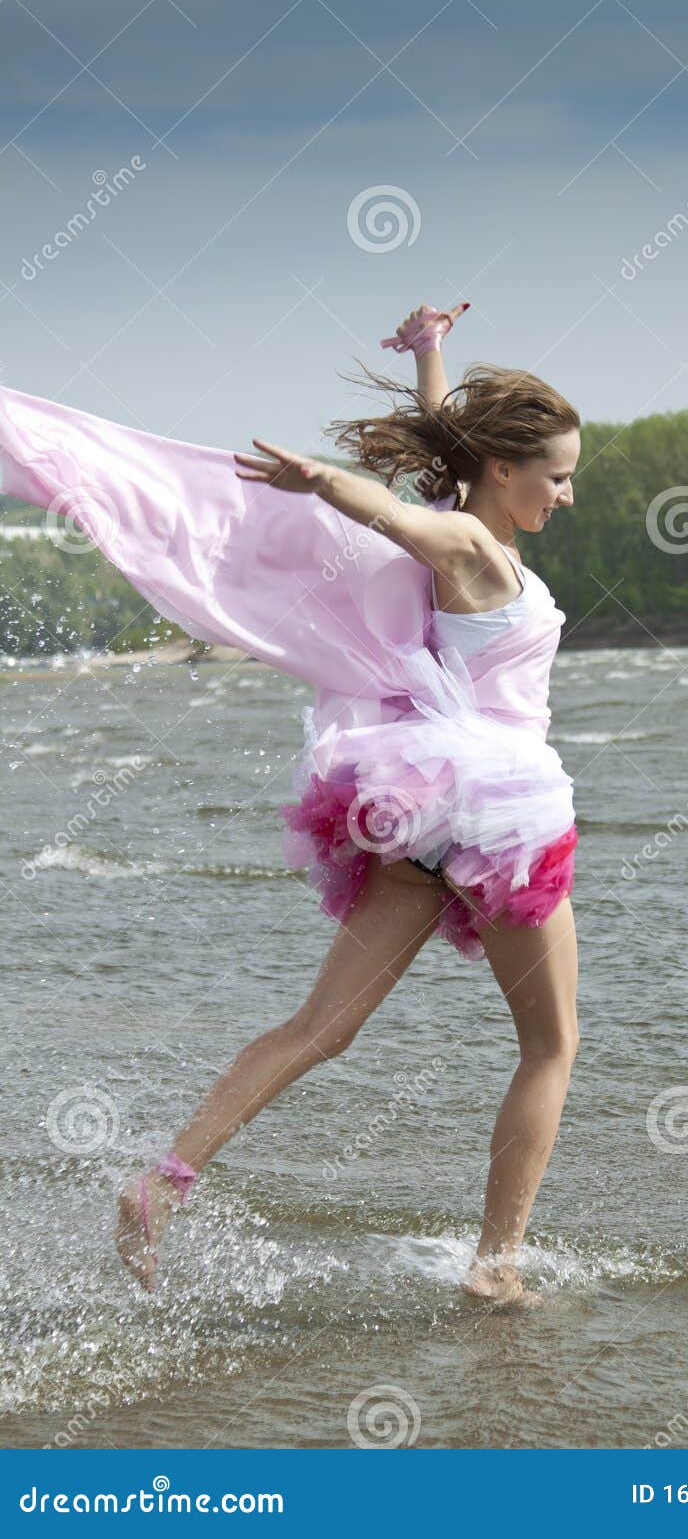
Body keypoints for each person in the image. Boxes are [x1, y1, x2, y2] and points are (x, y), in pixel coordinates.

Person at [0, 305, 582, 1305]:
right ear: (502, 470)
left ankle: (163, 1180)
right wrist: (320, 483)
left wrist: (426, 351)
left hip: (419, 813)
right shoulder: (471, 549)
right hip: (497, 809)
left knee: (320, 1025)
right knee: (550, 1045)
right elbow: (398, 513)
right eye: (557, 474)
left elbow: (443, 453)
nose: (565, 495)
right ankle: (497, 1266)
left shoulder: (468, 525)